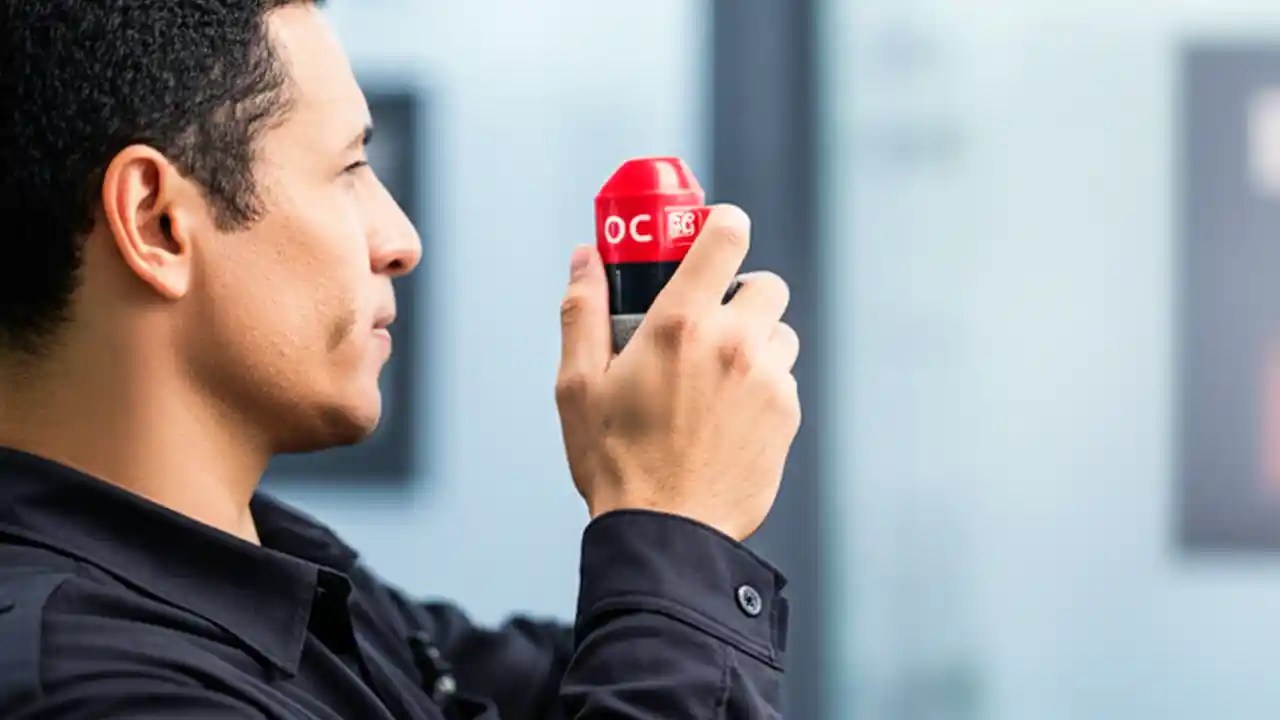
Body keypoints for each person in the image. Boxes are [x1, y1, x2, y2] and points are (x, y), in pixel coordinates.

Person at [0, 1, 802, 718]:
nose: (401, 242)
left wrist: (680, 511)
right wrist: (672, 522)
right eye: (349, 168)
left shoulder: (285, 577)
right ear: (158, 223)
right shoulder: (95, 686)